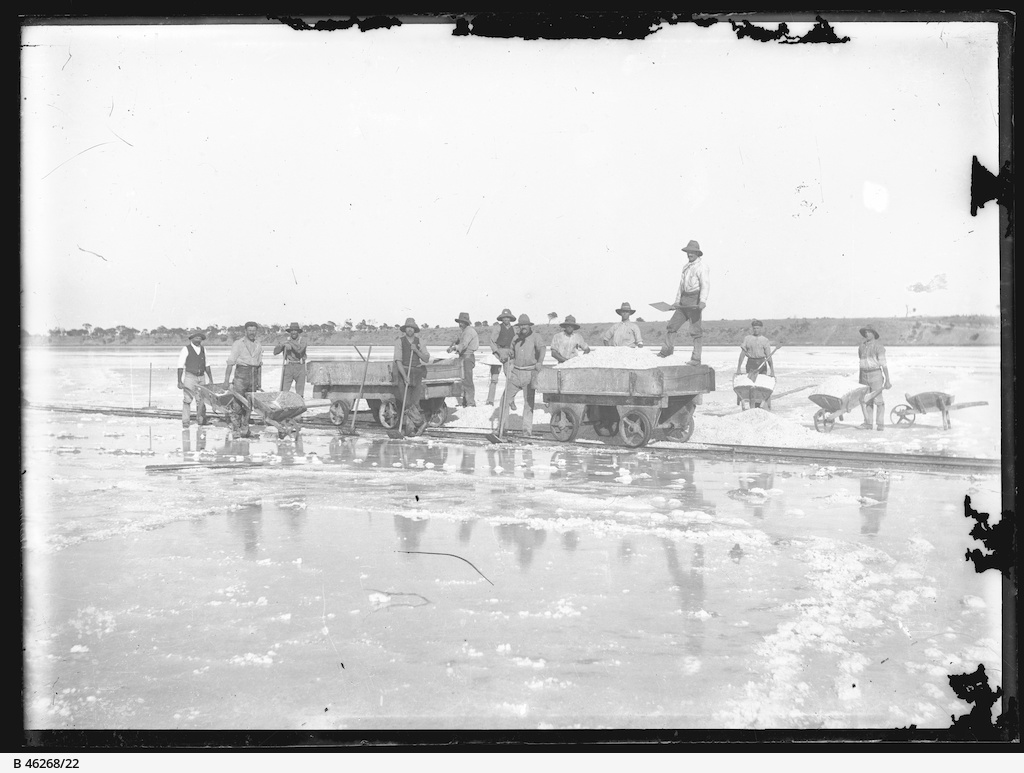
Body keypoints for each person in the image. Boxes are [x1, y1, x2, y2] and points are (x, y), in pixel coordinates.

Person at [659, 239, 710, 363]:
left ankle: (696, 359)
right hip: (683, 300)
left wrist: (702, 301)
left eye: (692, 252)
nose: (689, 254)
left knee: (695, 331)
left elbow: (705, 284)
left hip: (694, 300)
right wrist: (677, 301)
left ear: (697, 253)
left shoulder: (702, 267)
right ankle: (666, 352)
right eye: (688, 252)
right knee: (672, 326)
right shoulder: (686, 267)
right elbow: (681, 286)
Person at [501, 314, 546, 436]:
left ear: (529, 325)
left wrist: (540, 362)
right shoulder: (516, 338)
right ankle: (502, 428)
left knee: (528, 403)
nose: (523, 327)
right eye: (521, 325)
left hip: (529, 373)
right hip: (515, 373)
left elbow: (542, 349)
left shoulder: (536, 337)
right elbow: (512, 352)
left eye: (525, 325)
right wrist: (510, 354)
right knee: (504, 400)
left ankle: (527, 431)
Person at [223, 321, 264, 436]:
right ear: (245, 331)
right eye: (250, 330)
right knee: (238, 402)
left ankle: (245, 428)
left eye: (254, 331)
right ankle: (236, 429)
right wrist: (226, 381)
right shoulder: (238, 344)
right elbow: (230, 362)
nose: (252, 333)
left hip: (253, 375)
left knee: (249, 404)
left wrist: (259, 383)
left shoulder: (258, 344)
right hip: (241, 374)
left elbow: (259, 364)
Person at [394, 317, 431, 423]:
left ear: (415, 329)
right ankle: (411, 425)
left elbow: (426, 359)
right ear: (405, 329)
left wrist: (416, 351)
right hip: (404, 372)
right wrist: (405, 377)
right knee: (406, 402)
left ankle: (414, 425)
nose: (410, 329)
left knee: (415, 402)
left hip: (417, 373)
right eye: (408, 327)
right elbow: (398, 361)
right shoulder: (399, 341)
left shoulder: (420, 342)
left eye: (412, 327)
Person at [177, 329, 214, 427]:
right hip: (190, 377)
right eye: (196, 338)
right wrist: (179, 381)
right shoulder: (186, 349)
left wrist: (210, 379)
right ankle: (185, 421)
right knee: (187, 399)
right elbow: (180, 366)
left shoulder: (203, 349)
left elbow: (207, 365)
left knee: (201, 399)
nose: (198, 340)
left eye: (200, 338)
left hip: (201, 377)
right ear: (191, 339)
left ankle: (201, 420)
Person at [857, 325, 891, 431]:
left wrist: (887, 379)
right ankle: (868, 423)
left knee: (878, 400)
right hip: (864, 375)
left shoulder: (879, 347)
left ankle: (880, 424)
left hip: (875, 374)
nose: (866, 334)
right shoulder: (861, 347)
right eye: (865, 332)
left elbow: (883, 364)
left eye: (869, 332)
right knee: (867, 400)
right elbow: (861, 361)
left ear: (873, 334)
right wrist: (860, 378)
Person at [447, 312, 479, 407]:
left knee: (467, 380)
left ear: (466, 322)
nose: (460, 324)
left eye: (462, 322)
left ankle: (470, 402)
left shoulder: (469, 332)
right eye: (459, 322)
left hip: (467, 357)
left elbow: (464, 344)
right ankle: (466, 401)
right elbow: (460, 341)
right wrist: (454, 342)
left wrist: (454, 348)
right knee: (463, 379)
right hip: (464, 356)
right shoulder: (464, 331)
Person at [488, 308, 517, 408]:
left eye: (508, 317)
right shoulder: (498, 328)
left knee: (510, 379)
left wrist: (513, 352)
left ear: (510, 319)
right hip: (498, 353)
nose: (506, 319)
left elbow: (516, 342)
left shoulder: (514, 329)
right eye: (504, 318)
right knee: (494, 379)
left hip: (509, 354)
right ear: (502, 319)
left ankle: (510, 400)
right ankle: (490, 400)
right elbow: (492, 341)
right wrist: (497, 353)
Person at [274, 322, 308, 396]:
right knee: (284, 391)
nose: (293, 332)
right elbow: (275, 352)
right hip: (288, 367)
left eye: (295, 330)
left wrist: (289, 343)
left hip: (300, 366)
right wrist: (282, 345)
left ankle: (300, 402)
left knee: (300, 392)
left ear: (298, 331)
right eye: (292, 330)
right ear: (289, 332)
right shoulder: (285, 340)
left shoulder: (303, 340)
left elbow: (299, 350)